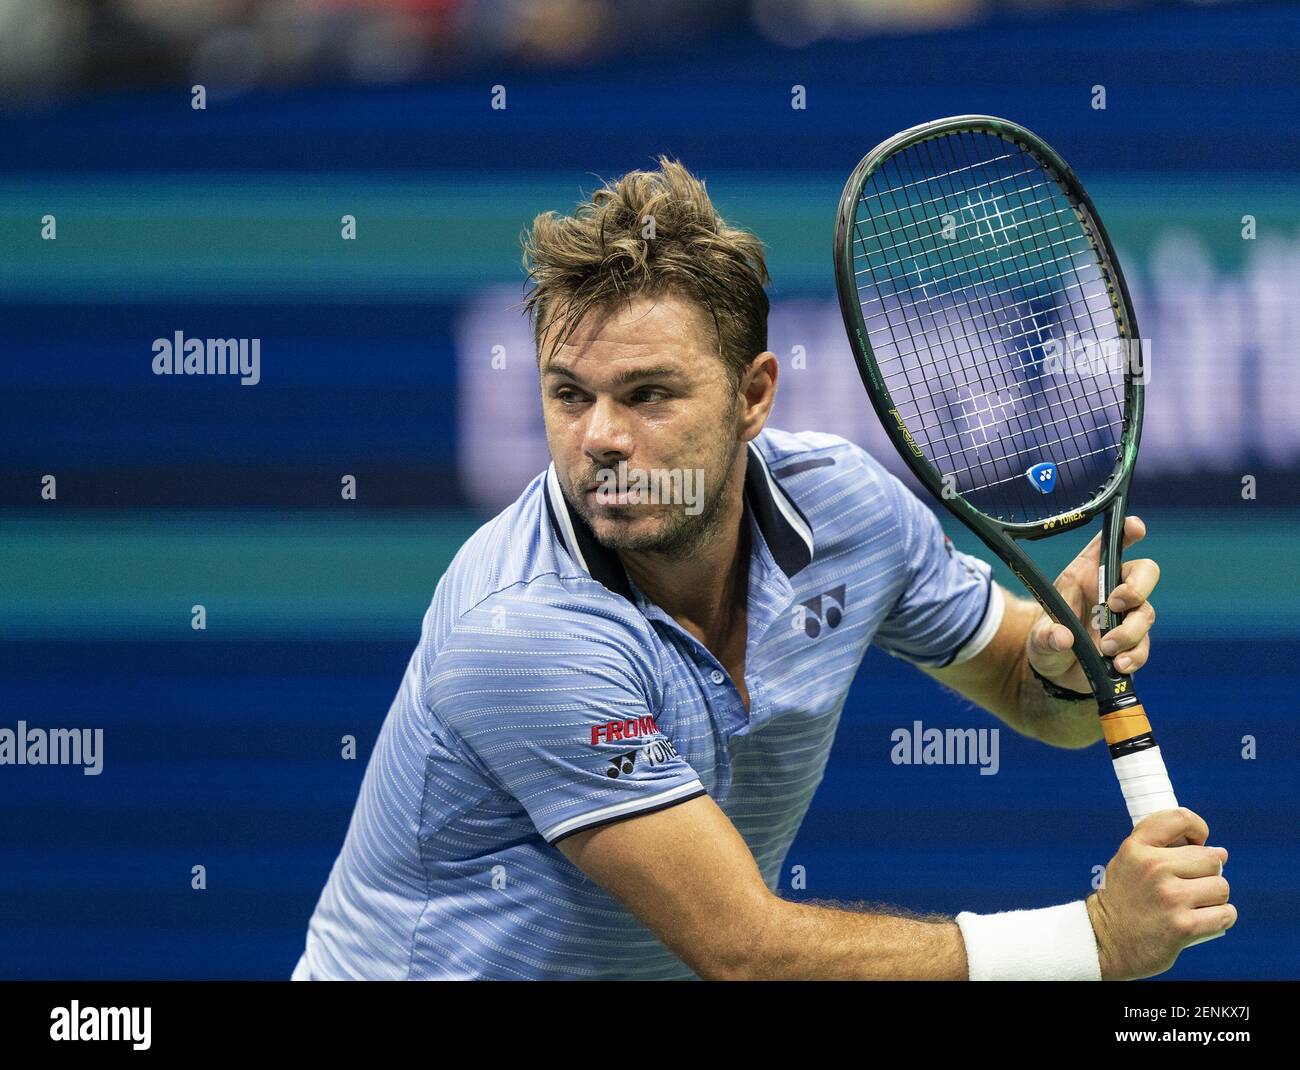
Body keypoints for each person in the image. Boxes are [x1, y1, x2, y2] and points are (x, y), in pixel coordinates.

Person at [292, 157, 1234, 981]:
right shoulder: (523, 628)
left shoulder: (846, 507)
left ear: (754, 395)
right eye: (568, 396)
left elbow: (1034, 695)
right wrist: (1095, 942)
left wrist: (1063, 664)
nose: (602, 439)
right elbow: (745, 950)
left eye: (649, 394)